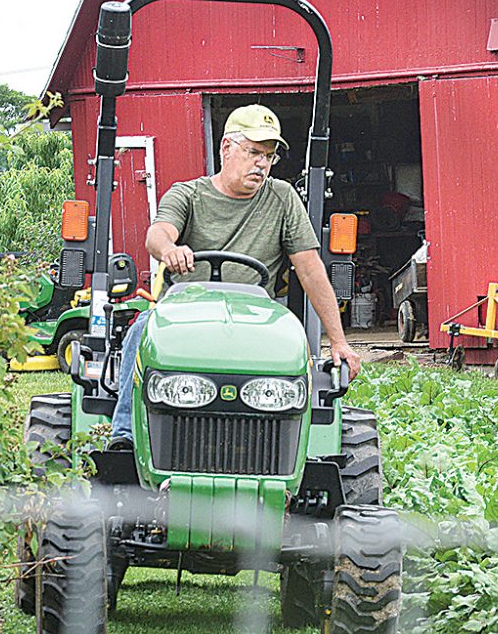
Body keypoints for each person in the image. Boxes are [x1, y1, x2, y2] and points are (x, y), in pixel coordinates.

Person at [109, 104, 360, 448]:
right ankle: (124, 436)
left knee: (292, 349)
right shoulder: (189, 194)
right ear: (226, 148)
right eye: (254, 152)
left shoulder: (282, 198)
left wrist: (339, 341)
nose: (262, 163)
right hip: (186, 314)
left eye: (269, 156)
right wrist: (169, 249)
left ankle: (277, 448)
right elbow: (158, 233)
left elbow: (310, 268)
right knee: (141, 329)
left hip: (254, 317)